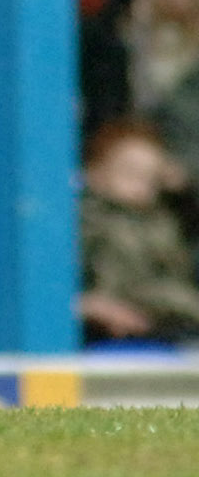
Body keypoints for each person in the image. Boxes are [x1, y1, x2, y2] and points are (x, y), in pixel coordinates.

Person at [77, 120, 199, 344]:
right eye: (129, 172)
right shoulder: (83, 222)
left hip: (164, 329)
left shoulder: (162, 223)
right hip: (99, 335)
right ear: (95, 171)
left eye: (151, 177)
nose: (140, 185)